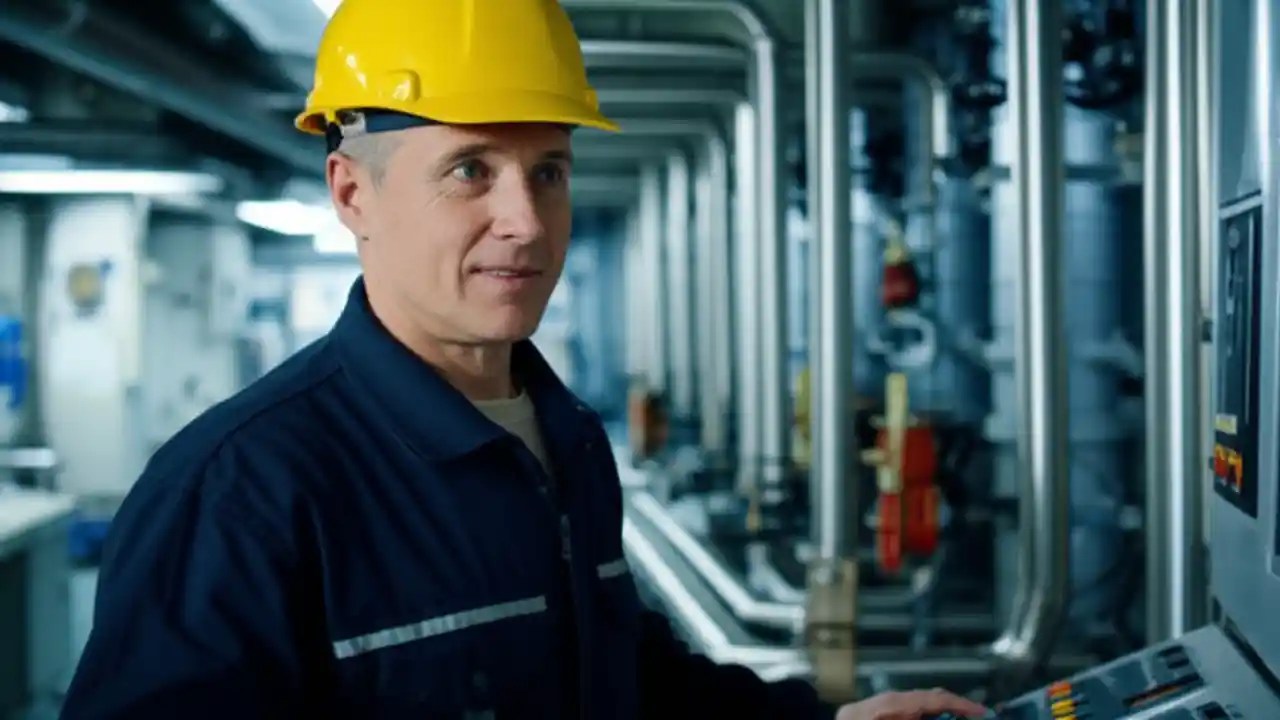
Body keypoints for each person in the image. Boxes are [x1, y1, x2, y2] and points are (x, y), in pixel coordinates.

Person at [59, 1, 991, 719]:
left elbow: (619, 676)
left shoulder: (565, 437)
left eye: (548, 170)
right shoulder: (237, 494)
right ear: (353, 193)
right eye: (471, 170)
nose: (526, 220)